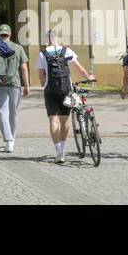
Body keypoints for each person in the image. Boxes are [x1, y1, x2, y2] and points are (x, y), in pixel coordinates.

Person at [37, 31, 94, 164]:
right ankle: (63, 147)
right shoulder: (66, 51)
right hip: (66, 89)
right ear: (57, 39)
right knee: (65, 120)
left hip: (50, 90)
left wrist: (44, 84)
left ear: (46, 40)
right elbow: (79, 68)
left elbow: (41, 75)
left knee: (53, 121)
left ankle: (58, 152)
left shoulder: (42, 54)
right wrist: (88, 77)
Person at [0, 23, 30, 153]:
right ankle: (12, 139)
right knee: (13, 112)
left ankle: (8, 140)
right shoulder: (18, 47)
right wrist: (26, 85)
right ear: (10, 34)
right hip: (15, 83)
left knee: (2, 112)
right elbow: (24, 67)